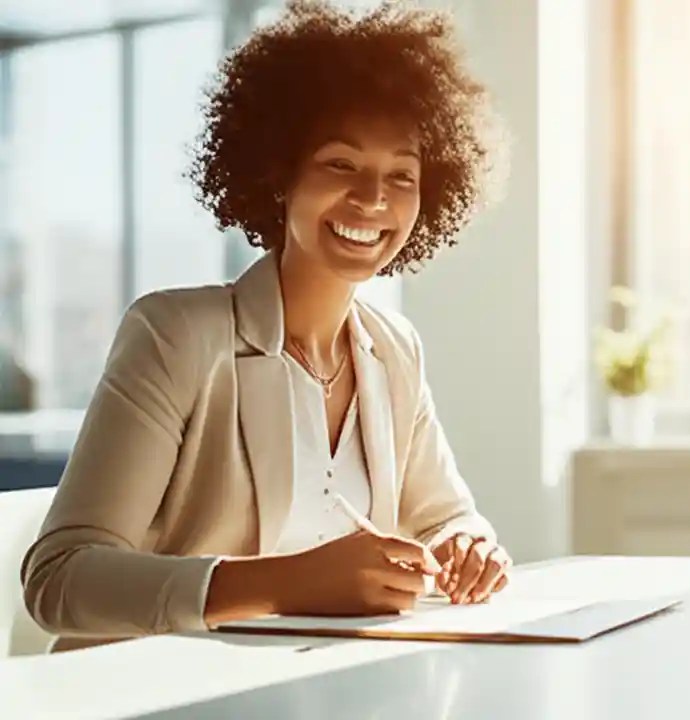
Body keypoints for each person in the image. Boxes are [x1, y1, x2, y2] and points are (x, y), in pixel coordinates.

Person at [21, 0, 511, 651]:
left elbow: (447, 519)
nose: (372, 199)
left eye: (402, 175)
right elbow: (60, 580)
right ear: (281, 173)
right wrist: (287, 582)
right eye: (341, 164)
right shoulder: (177, 335)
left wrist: (468, 548)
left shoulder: (394, 352)